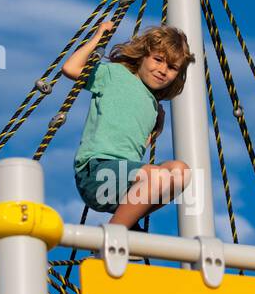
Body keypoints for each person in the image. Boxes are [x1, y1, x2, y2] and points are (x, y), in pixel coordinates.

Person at [63, 20, 194, 227]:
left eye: (171, 67)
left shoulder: (153, 105)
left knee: (180, 172)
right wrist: (98, 36)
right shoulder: (114, 74)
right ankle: (116, 234)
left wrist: (157, 122)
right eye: (158, 60)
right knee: (157, 176)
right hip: (97, 171)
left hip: (127, 181)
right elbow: (70, 68)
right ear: (142, 56)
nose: (162, 70)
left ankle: (127, 222)